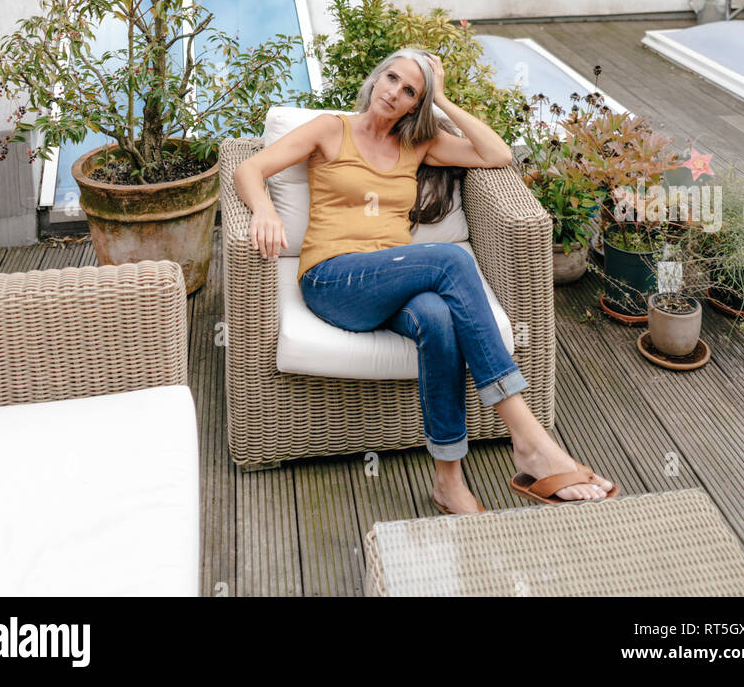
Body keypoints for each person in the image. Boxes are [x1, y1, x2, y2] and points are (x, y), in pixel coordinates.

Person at [233, 46, 618, 514]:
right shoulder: (331, 129)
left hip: (396, 283)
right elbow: (249, 168)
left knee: (437, 317)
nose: (395, 93)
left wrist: (445, 100)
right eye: (392, 79)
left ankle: (448, 480)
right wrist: (266, 210)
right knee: (449, 261)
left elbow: (497, 156)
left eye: (411, 90)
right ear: (376, 79)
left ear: (418, 104)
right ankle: (529, 438)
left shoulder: (418, 143)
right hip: (333, 281)